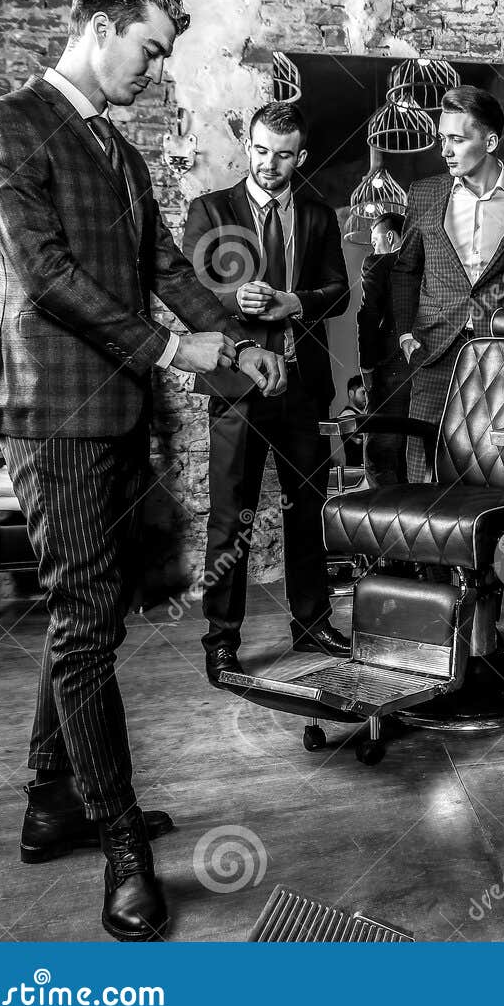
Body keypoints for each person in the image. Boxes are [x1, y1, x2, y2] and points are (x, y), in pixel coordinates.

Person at [0, 0, 285, 941]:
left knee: (87, 613)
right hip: (53, 413)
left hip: (122, 417)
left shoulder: (119, 151)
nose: (155, 69)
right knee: (88, 624)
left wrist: (234, 350)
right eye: (148, 48)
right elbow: (46, 277)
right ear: (101, 28)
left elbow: (162, 272)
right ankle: (121, 849)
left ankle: (50, 802)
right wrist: (172, 349)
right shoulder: (6, 123)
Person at [182, 102, 351, 686]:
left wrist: (294, 302)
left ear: (299, 157)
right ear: (247, 148)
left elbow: (340, 292)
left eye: (283, 155)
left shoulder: (318, 213)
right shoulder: (211, 210)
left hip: (303, 388)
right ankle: (222, 642)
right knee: (233, 519)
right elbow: (190, 292)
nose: (269, 164)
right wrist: (238, 303)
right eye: (260, 151)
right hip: (237, 388)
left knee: (309, 512)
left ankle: (313, 624)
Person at [390, 85, 504, 480]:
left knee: (502, 469)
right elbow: (405, 270)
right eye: (443, 139)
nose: (445, 150)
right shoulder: (423, 194)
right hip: (435, 350)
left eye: (457, 139)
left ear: (489, 141)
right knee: (423, 471)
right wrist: (406, 334)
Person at [357, 213, 414, 484]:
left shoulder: (378, 263)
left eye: (375, 241)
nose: (374, 248)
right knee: (418, 448)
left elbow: (368, 316)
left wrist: (366, 367)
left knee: (381, 455)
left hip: (389, 370)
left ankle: (383, 518)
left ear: (390, 237)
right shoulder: (430, 262)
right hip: (427, 369)